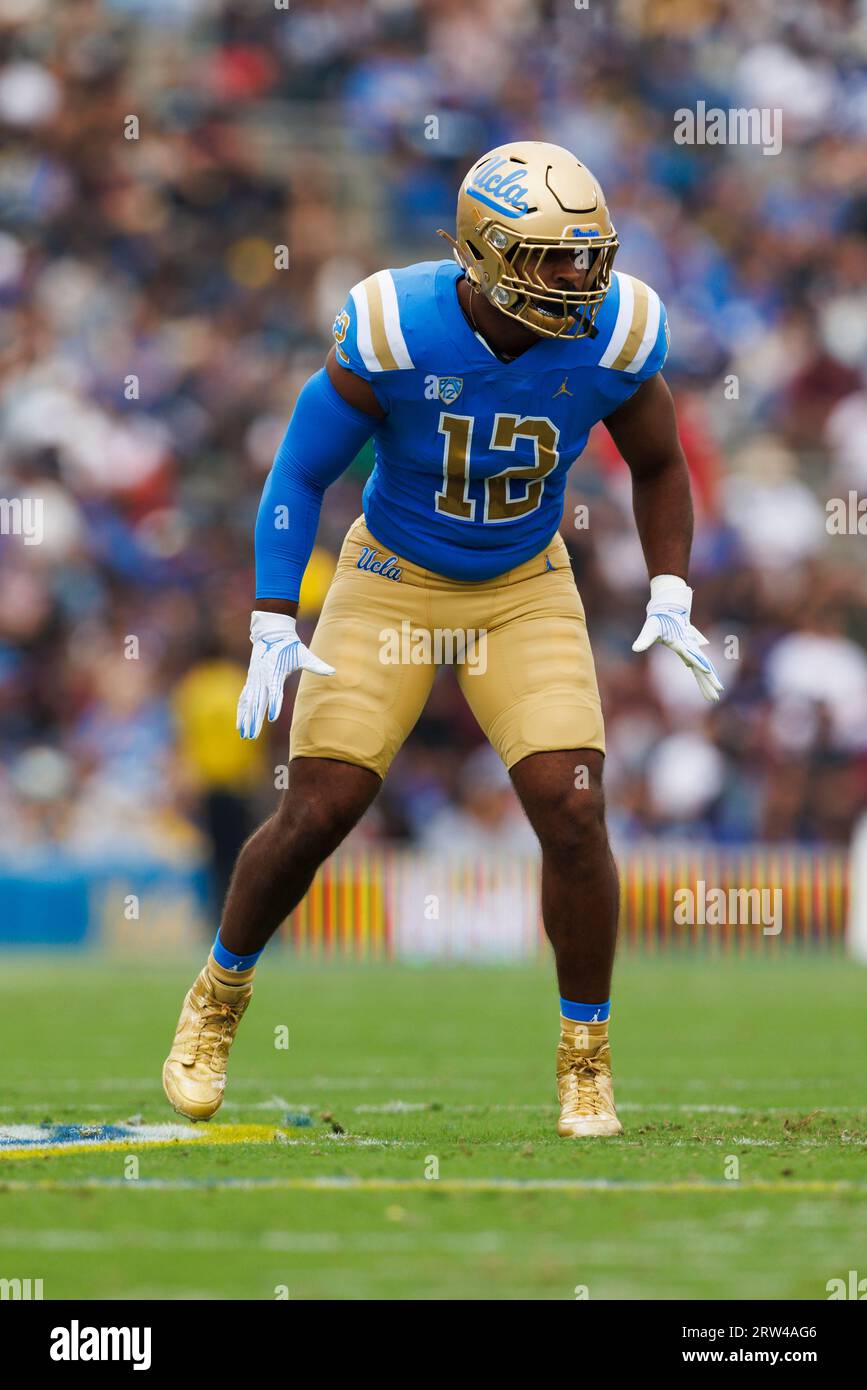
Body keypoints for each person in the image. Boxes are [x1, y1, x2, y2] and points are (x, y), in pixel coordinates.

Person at [163, 141, 722, 1138]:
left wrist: (672, 585)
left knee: (574, 807)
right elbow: (299, 472)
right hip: (393, 577)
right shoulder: (399, 325)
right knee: (320, 807)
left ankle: (586, 1057)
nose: (580, 279)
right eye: (553, 258)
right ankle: (217, 997)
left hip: (522, 581)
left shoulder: (619, 331)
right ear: (483, 255)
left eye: (588, 255)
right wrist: (269, 617)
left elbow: (659, 462)